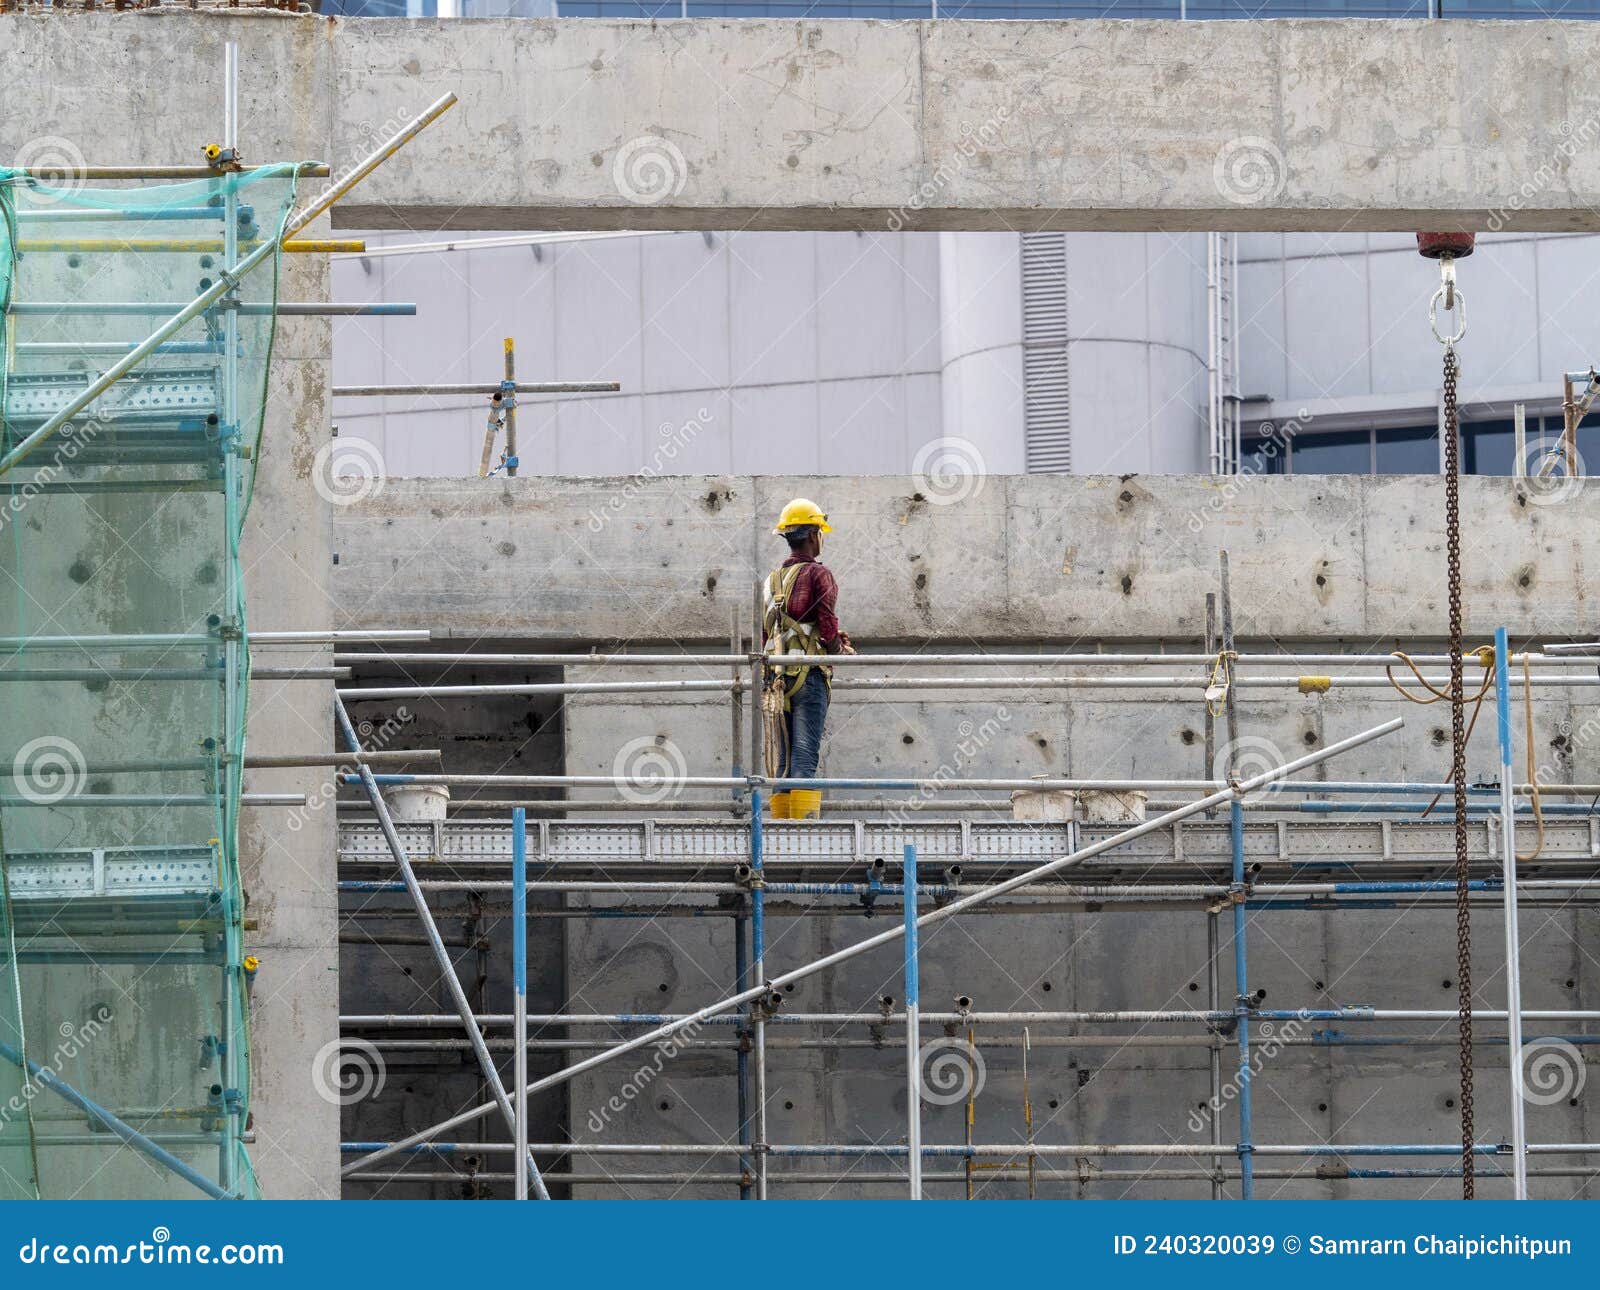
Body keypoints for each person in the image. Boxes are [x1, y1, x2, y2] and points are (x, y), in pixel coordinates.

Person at [762, 498, 853, 819]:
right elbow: (827, 627)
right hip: (810, 677)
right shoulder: (818, 574)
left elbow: (770, 634)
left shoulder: (771, 581)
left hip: (777, 679)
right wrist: (839, 653)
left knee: (783, 761)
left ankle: (779, 832)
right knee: (804, 756)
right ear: (814, 535)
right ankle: (801, 835)